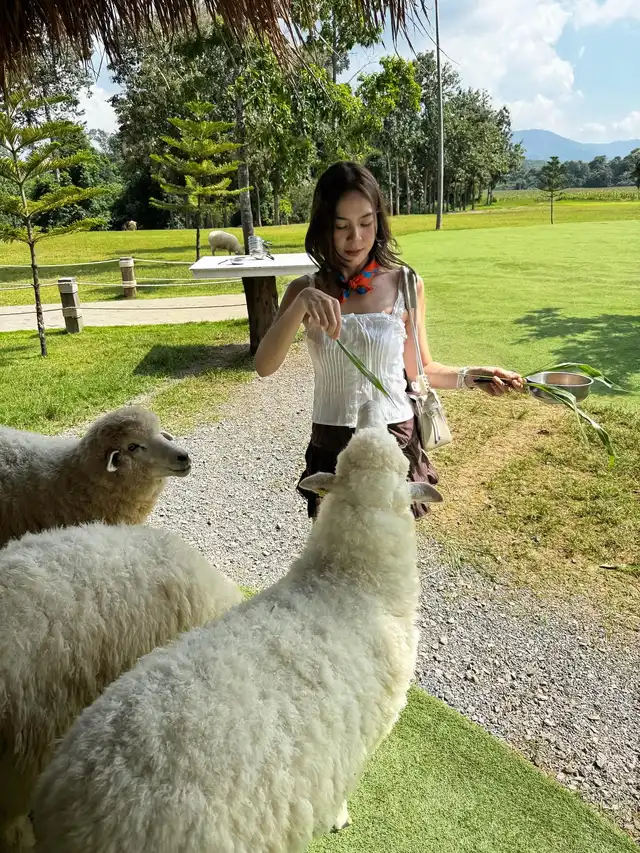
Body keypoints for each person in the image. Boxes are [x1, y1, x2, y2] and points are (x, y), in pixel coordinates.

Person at [255, 162, 523, 519]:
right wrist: (301, 304)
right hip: (333, 441)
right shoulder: (305, 290)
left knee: (390, 546)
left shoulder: (406, 284)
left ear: (379, 221)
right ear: (323, 226)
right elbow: (264, 366)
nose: (356, 239)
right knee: (335, 547)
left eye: (366, 223)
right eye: (341, 226)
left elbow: (421, 371)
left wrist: (475, 376)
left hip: (395, 438)